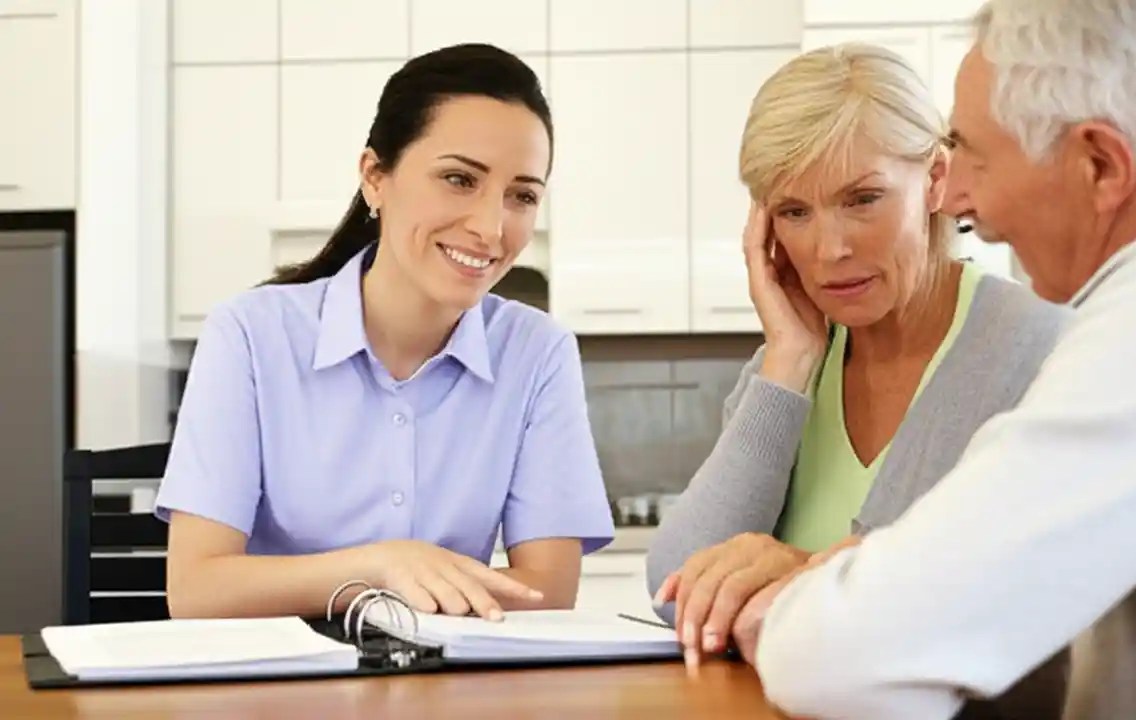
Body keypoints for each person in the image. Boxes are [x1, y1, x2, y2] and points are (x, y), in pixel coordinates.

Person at [744, 1, 1136, 719]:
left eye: (974, 154)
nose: (956, 195)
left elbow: (831, 659)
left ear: (1102, 165)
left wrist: (810, 593)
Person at [645, 43, 1069, 717]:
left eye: (862, 200)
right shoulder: (790, 370)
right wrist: (787, 359)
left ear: (935, 179)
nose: (828, 249)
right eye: (794, 212)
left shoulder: (1034, 343)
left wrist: (805, 576)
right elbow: (676, 591)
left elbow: (1020, 610)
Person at [155, 44, 614, 622]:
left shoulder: (538, 352)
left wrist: (397, 579)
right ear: (376, 177)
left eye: (522, 196)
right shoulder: (249, 335)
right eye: (458, 179)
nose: (492, 227)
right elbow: (197, 591)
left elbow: (546, 591)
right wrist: (379, 568)